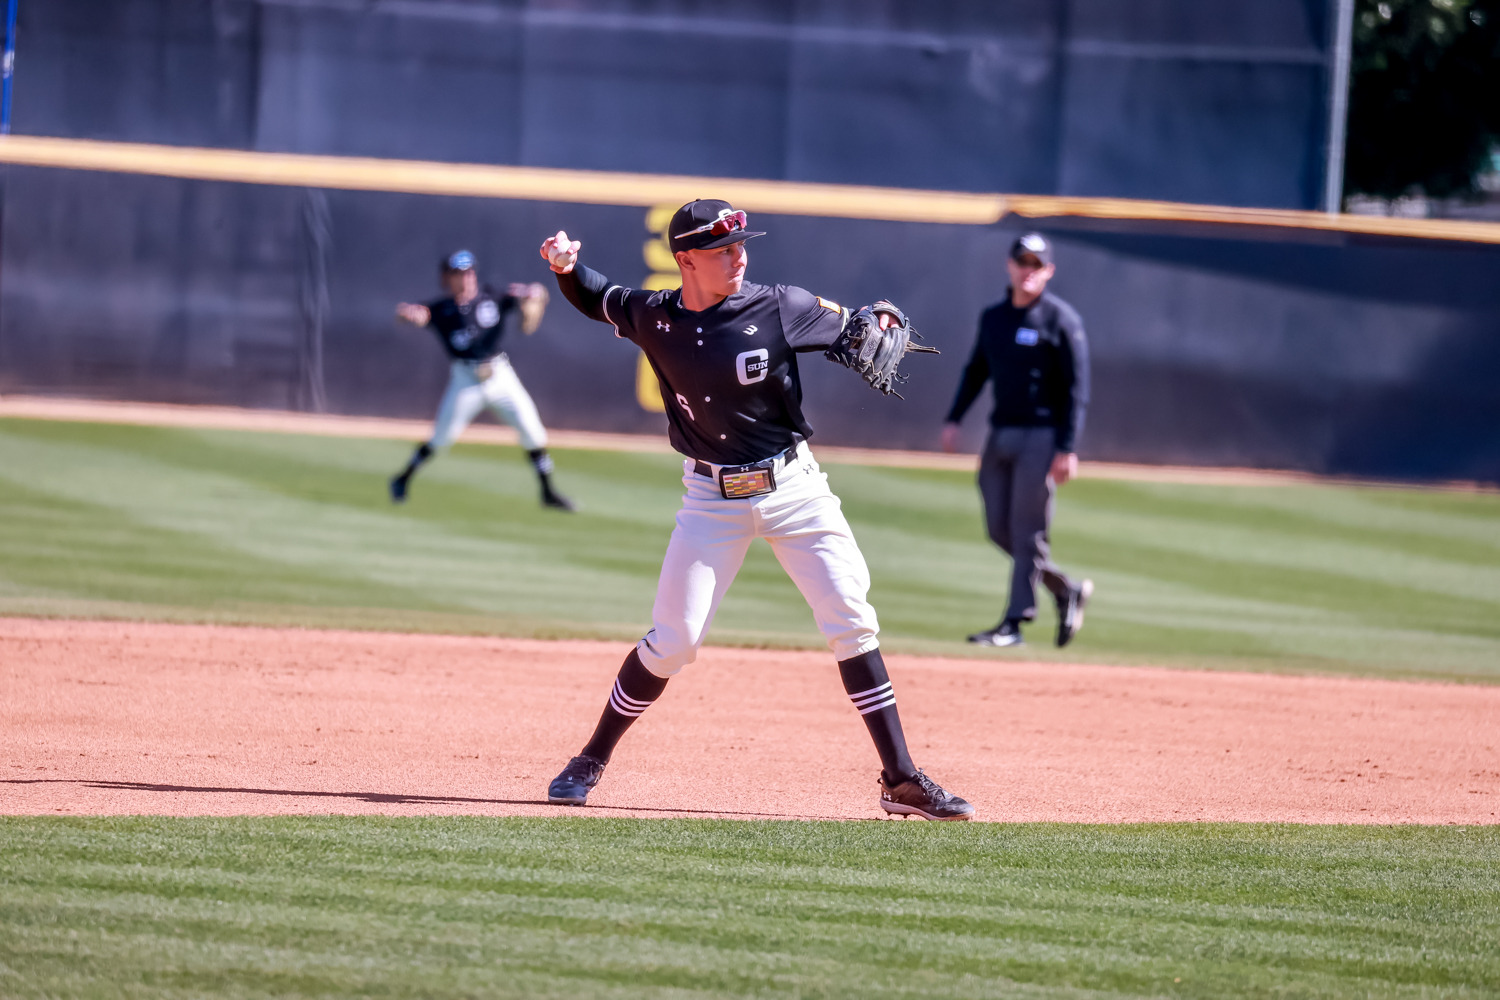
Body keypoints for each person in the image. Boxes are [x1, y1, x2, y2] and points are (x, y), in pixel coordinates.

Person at [537, 199, 973, 820]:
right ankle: (591, 757)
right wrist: (564, 269)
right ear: (686, 261)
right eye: (724, 250)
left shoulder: (779, 305)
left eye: (743, 245)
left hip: (795, 489)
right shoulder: (654, 315)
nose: (740, 256)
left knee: (851, 618)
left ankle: (901, 779)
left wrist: (873, 320)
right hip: (710, 499)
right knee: (674, 643)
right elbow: (597, 296)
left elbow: (853, 326)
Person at [941, 232, 1093, 649]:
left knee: (1027, 532)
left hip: (1041, 436)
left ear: (1049, 272)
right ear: (1010, 265)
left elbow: (1077, 389)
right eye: (1022, 262)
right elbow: (977, 370)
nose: (1028, 270)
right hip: (1000, 432)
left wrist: (1067, 448)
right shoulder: (995, 317)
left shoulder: (1060, 320)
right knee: (998, 529)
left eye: (1037, 264)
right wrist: (954, 417)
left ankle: (1014, 623)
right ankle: (1065, 589)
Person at [390, 250, 574, 510]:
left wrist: (534, 297)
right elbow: (407, 312)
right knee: (441, 438)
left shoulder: (493, 297)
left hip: (500, 375)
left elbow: (537, 292)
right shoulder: (442, 309)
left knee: (534, 433)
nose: (466, 279)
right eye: (458, 274)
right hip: (466, 379)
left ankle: (547, 493)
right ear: (447, 278)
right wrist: (407, 315)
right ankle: (401, 479)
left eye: (469, 272)